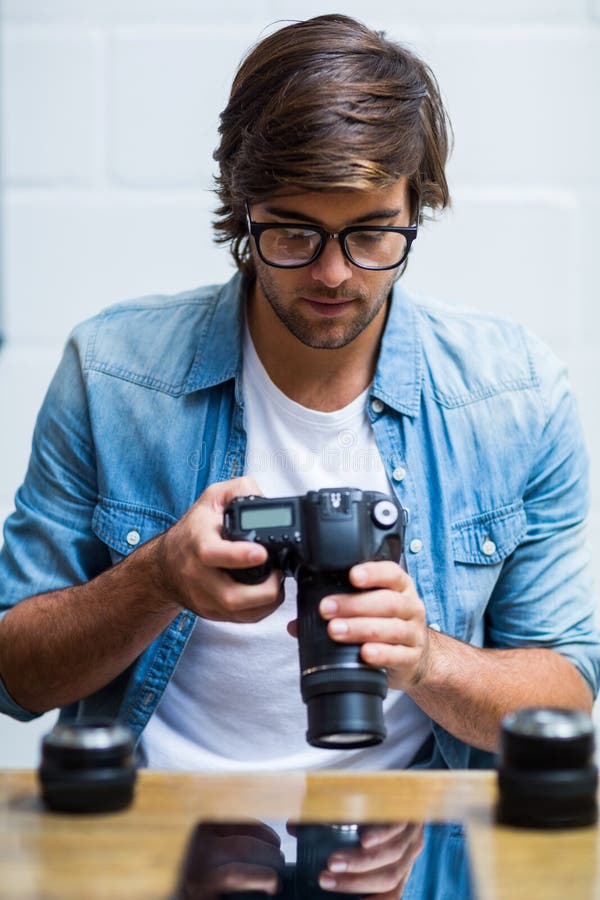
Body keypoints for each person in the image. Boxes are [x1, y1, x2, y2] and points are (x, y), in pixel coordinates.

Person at [0, 14, 598, 777]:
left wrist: (426, 659)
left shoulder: (513, 395)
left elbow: (567, 698)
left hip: (411, 828)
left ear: (417, 209)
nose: (333, 274)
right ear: (243, 209)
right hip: (155, 825)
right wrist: (157, 578)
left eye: (372, 234)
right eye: (293, 232)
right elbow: (15, 678)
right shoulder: (112, 374)